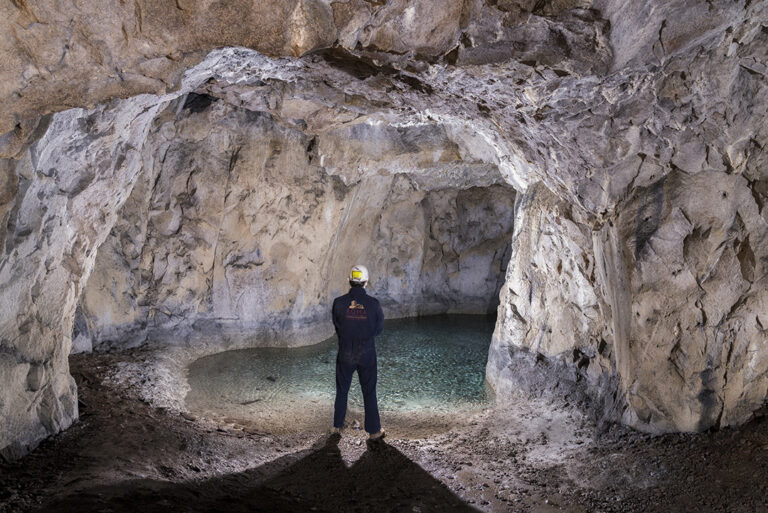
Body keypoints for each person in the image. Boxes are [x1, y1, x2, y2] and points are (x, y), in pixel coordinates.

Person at [331, 265, 385, 440]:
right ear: (366, 282)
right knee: (369, 391)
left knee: (342, 390)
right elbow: (378, 330)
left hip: (346, 352)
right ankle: (374, 431)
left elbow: (337, 326)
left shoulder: (338, 303)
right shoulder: (374, 304)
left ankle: (337, 426)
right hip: (367, 353)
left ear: (349, 281)